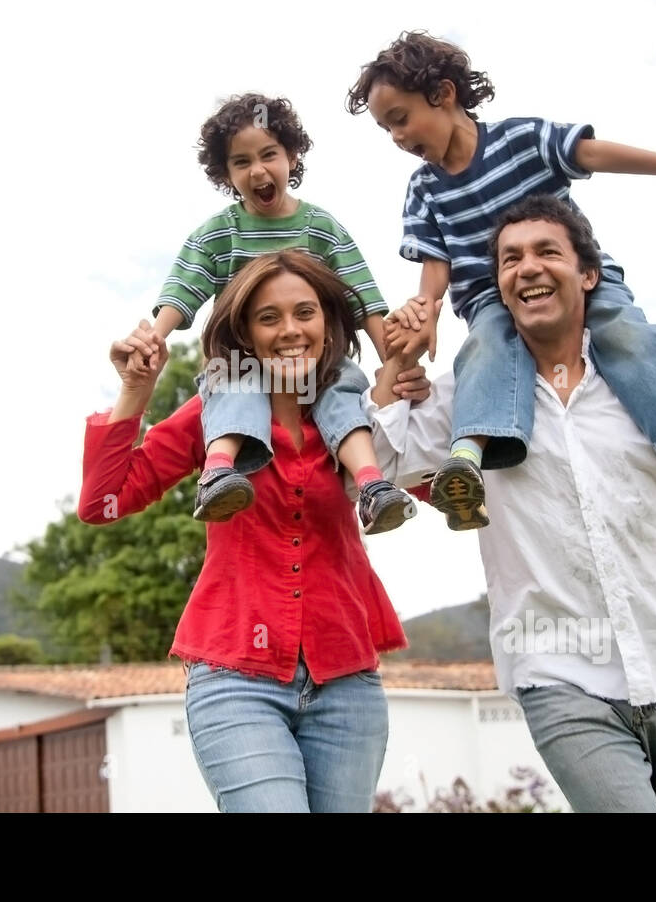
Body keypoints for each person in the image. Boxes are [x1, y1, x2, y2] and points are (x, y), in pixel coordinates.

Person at [366, 156, 656, 811]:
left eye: (546, 252)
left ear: (587, 274)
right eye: (509, 259)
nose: (526, 267)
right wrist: (397, 363)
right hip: (557, 673)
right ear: (499, 288)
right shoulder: (467, 402)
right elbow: (378, 459)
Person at [347, 30, 656, 532]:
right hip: (490, 300)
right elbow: (436, 265)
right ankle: (465, 466)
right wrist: (426, 311)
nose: (398, 138)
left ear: (444, 95)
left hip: (577, 284)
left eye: (400, 119)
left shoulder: (521, 139)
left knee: (627, 335)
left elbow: (592, 154)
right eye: (387, 130)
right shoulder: (424, 189)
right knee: (485, 352)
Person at [80, 249, 409, 813]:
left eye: (305, 313)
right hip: (236, 676)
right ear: (246, 335)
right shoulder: (216, 414)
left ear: (329, 325)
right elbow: (104, 502)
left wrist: (411, 390)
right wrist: (136, 390)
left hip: (347, 679)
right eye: (269, 318)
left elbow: (430, 486)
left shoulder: (359, 416)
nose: (290, 331)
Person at [134, 92, 416, 534]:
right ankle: (219, 472)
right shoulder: (220, 232)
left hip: (315, 363)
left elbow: (364, 296)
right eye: (242, 162)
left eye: (269, 155)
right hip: (245, 357)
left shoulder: (320, 227)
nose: (258, 170)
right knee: (233, 383)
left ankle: (371, 485)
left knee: (343, 387)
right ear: (227, 174)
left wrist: (392, 368)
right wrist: (155, 336)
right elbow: (183, 288)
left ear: (292, 156)